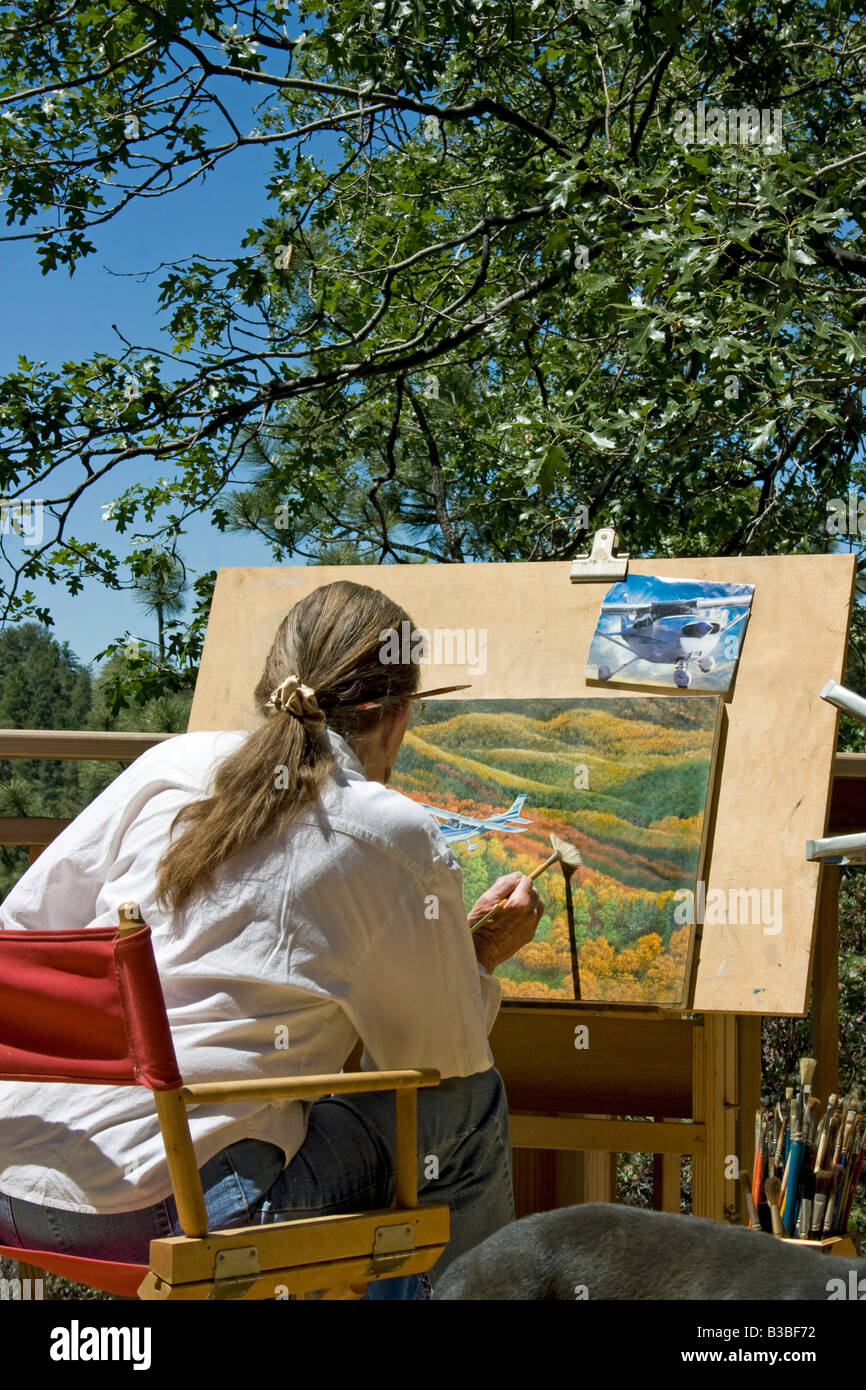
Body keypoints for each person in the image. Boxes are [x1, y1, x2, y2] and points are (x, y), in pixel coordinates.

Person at [0, 580, 543, 1299]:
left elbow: (23, 934)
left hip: (21, 1185)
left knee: (289, 1106)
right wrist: (473, 957)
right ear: (399, 716)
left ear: (268, 686)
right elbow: (437, 1063)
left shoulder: (169, 768)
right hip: (168, 1215)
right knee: (467, 1110)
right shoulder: (391, 832)